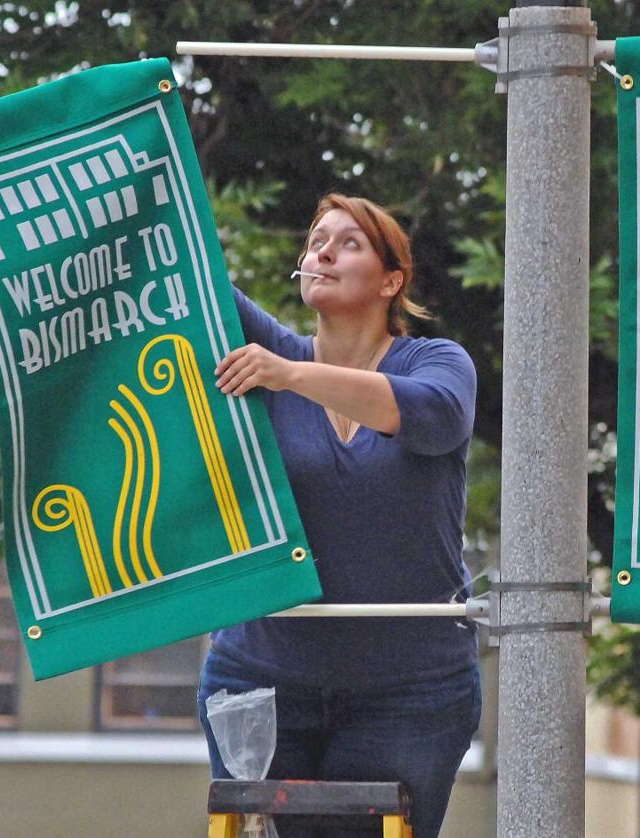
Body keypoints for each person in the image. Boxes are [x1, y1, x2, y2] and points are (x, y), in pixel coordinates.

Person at [197, 193, 481, 838]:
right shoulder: (269, 351)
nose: (321, 251)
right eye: (315, 239)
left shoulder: (438, 362)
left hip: (414, 691)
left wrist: (291, 375)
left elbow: (433, 420)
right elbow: (188, 271)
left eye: (348, 242)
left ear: (391, 280)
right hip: (260, 679)